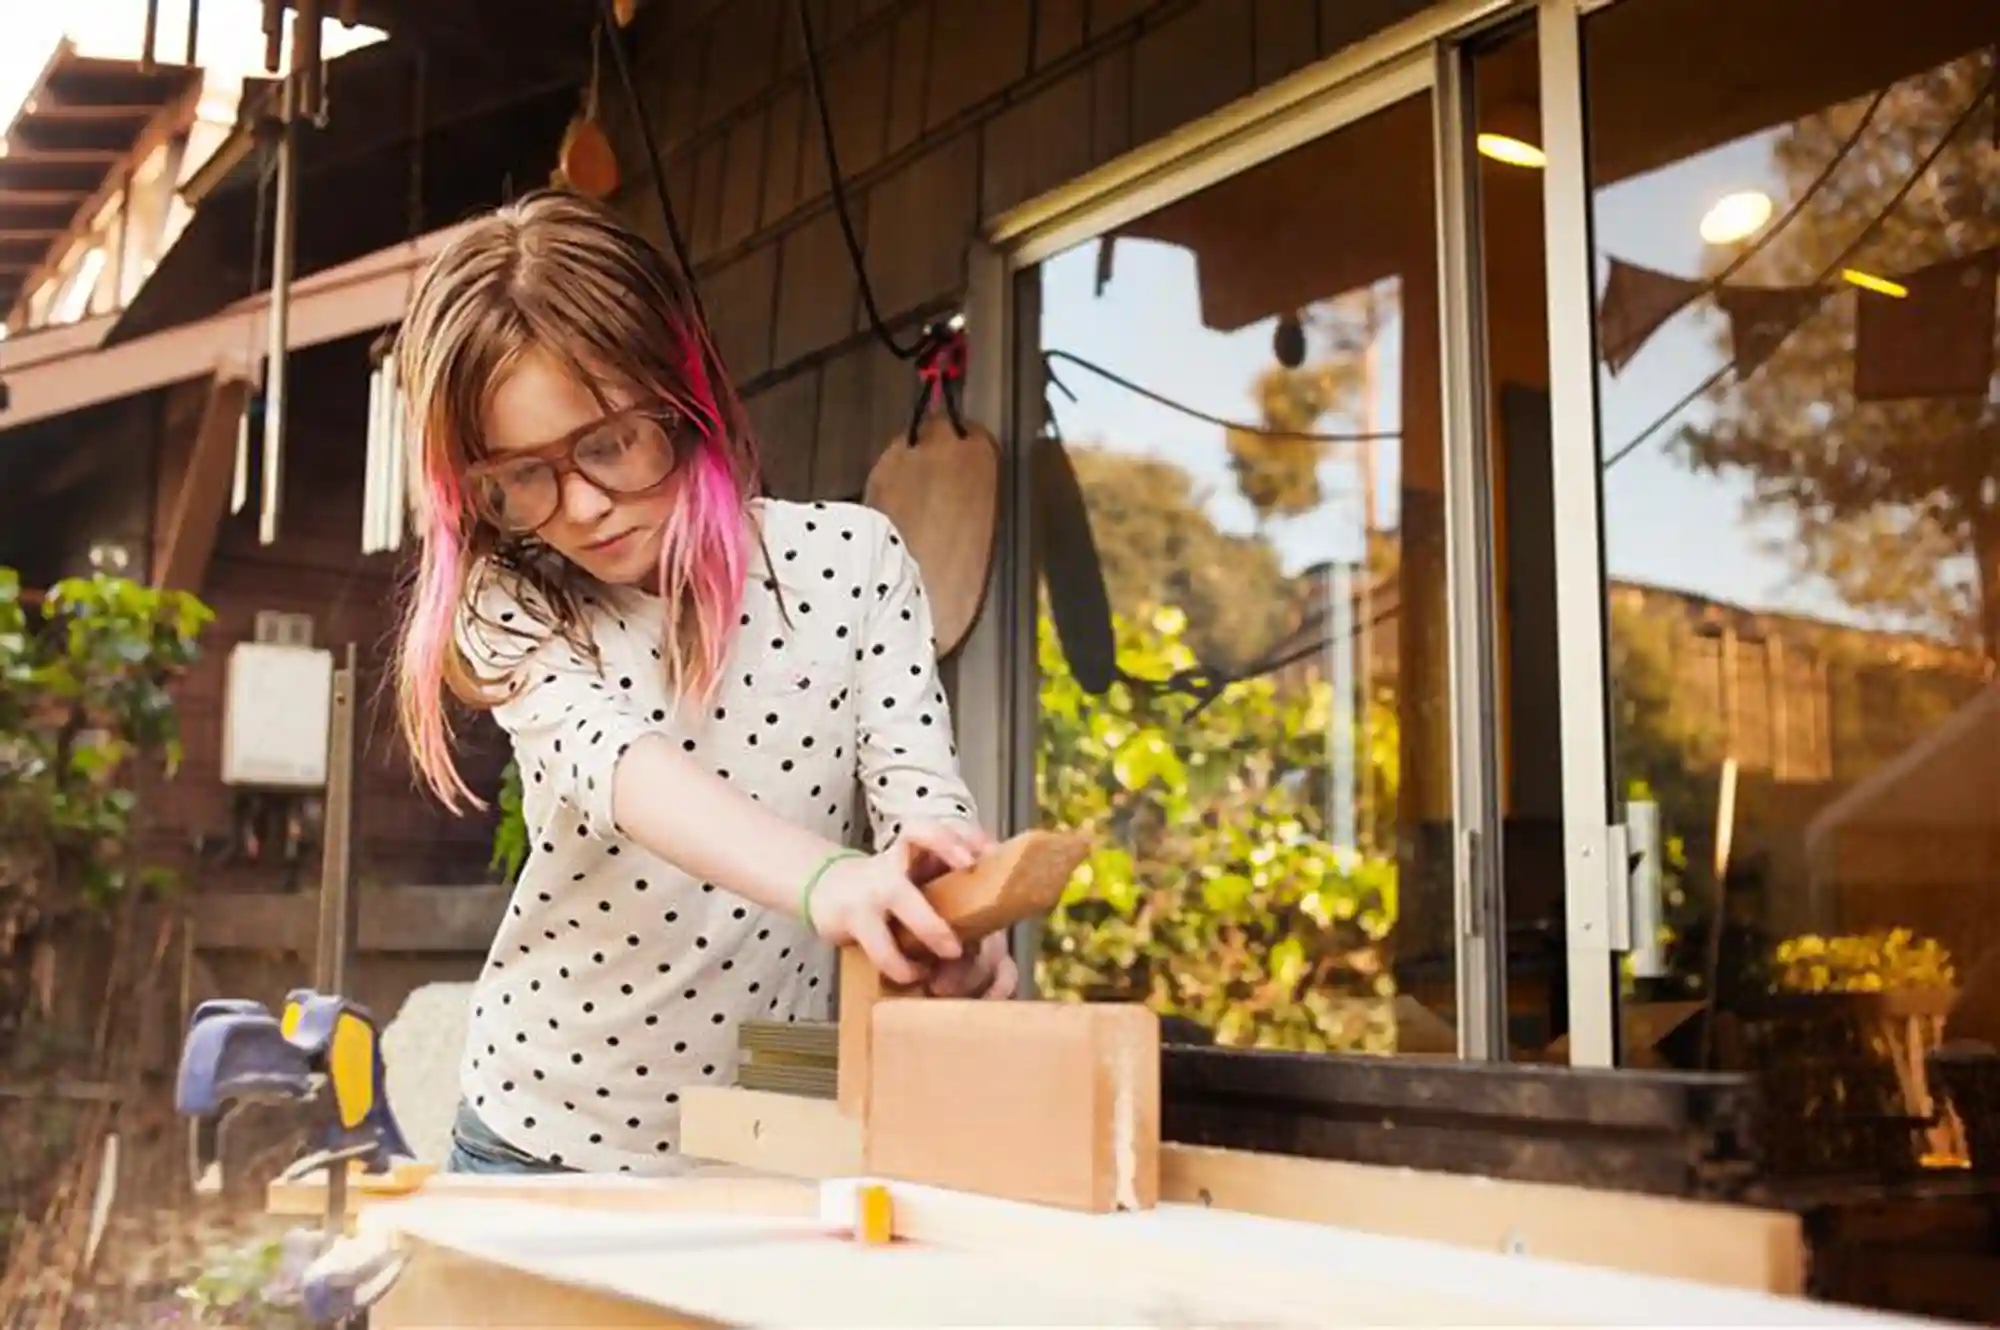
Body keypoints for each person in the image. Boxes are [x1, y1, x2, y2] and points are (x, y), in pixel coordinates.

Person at [390, 190, 1015, 1177]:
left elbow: (923, 813)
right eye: (523, 476)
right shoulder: (512, 603)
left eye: (609, 442)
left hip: (768, 1146)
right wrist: (830, 880)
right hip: (542, 1142)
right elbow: (627, 771)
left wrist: (952, 921)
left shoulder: (853, 566)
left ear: (684, 397)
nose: (582, 505)